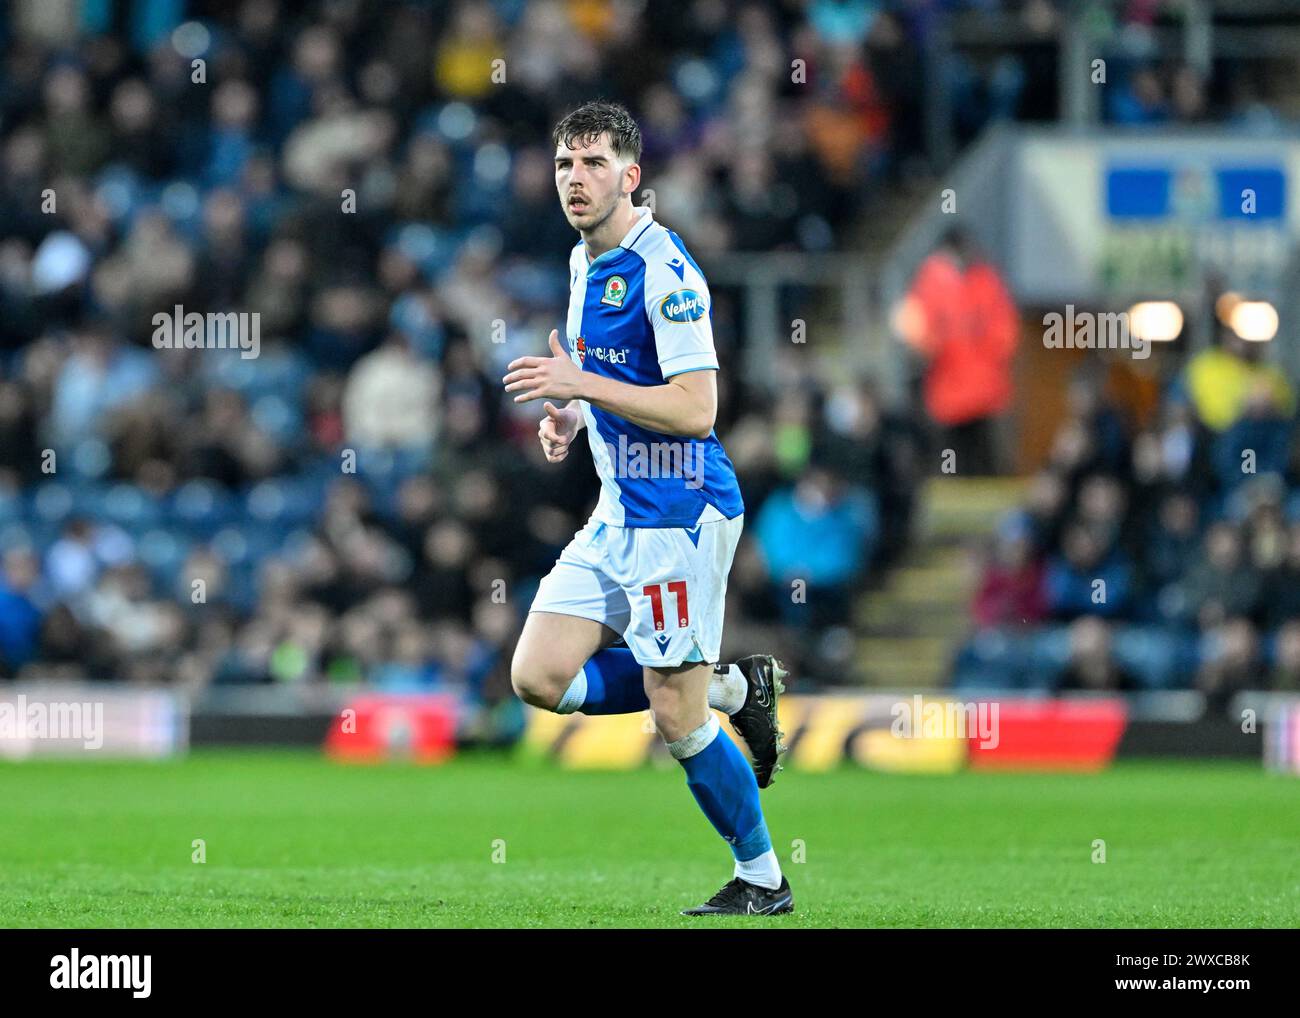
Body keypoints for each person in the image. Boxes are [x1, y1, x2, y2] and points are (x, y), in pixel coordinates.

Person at [501, 101, 793, 916]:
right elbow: (603, 377)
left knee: (675, 717)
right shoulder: (580, 260)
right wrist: (572, 416)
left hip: (682, 515)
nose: (575, 180)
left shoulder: (666, 272)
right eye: (564, 164)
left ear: (632, 176)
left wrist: (583, 387)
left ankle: (763, 879)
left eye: (593, 164)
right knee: (538, 675)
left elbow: (698, 408)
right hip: (619, 508)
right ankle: (734, 687)